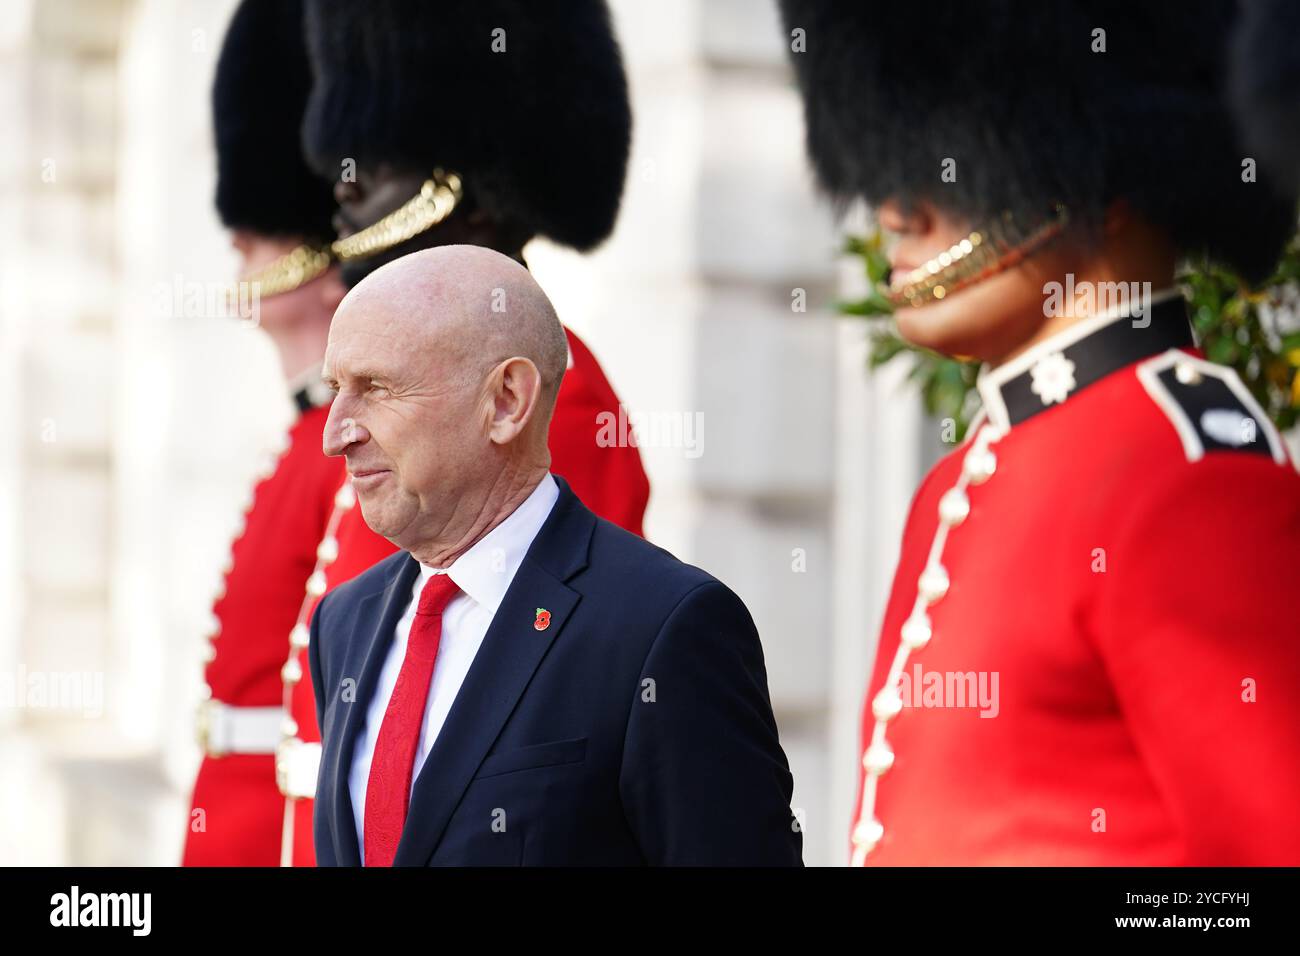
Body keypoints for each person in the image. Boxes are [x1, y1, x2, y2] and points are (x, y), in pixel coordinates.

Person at [780, 0, 1300, 864]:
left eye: (948, 163)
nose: (897, 212)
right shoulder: (956, 487)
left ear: (1106, 170)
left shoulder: (1187, 471)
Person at [279, 0, 652, 865]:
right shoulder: (393, 397)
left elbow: (551, 736)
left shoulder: (571, 399)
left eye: (380, 158)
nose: (343, 185)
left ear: (473, 191)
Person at [310, 246, 801, 866]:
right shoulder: (344, 621)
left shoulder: (663, 627)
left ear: (507, 400)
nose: (336, 434)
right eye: (335, 389)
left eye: (375, 388)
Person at [182, 0, 351, 867]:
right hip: (237, 816)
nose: (240, 239)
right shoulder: (301, 443)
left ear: (334, 261)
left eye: (269, 224)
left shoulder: (349, 451)